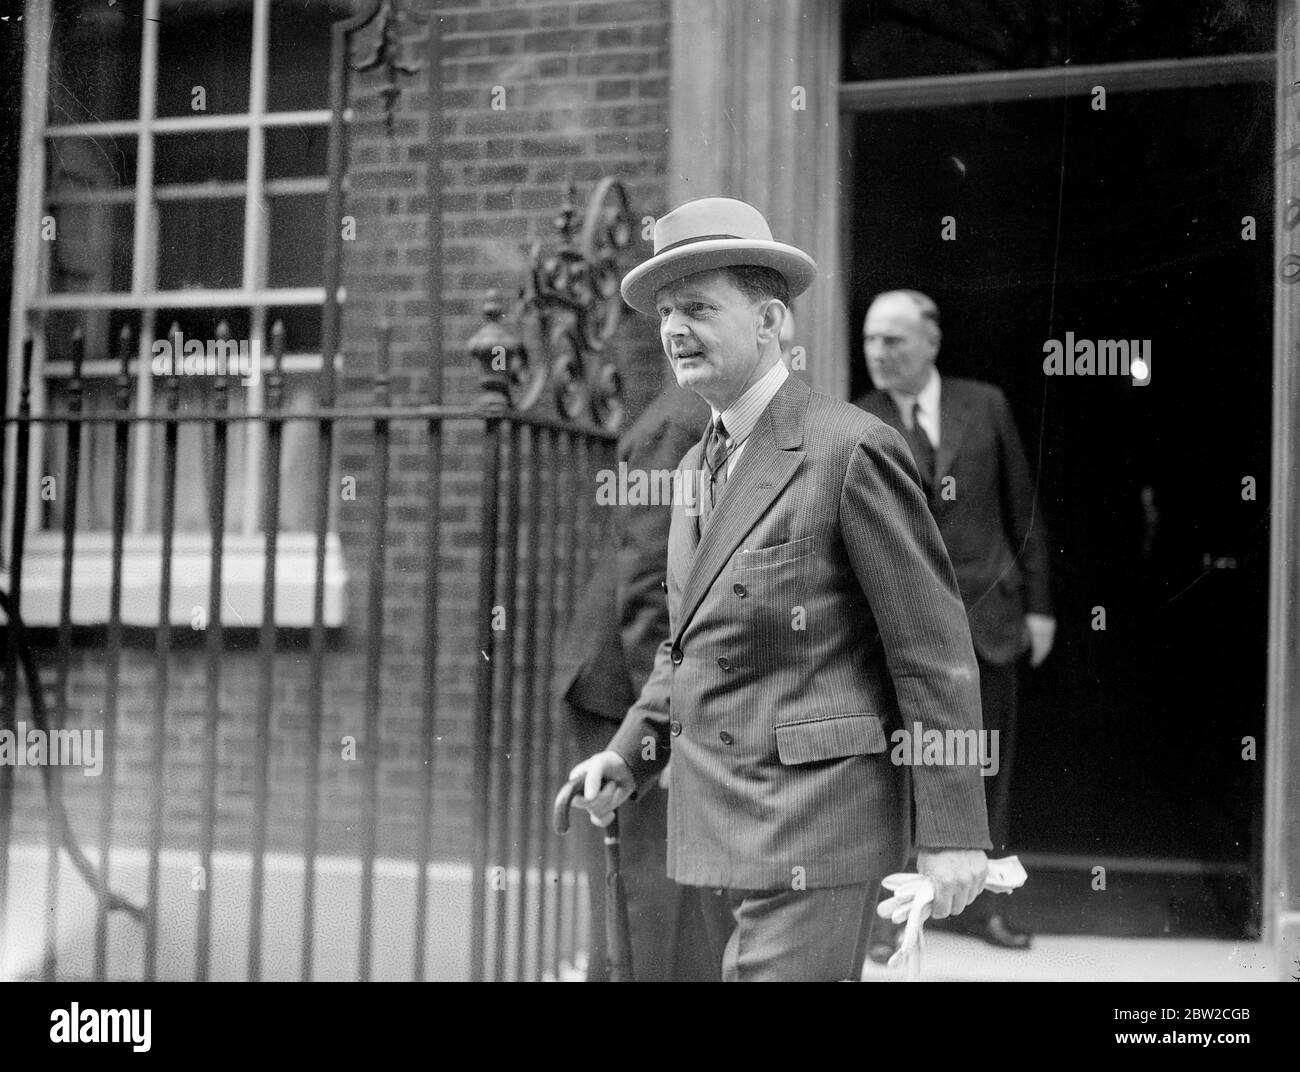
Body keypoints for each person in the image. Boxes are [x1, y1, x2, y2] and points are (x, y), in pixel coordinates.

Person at [568, 197, 992, 982]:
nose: (674, 329)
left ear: (771, 322)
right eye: (665, 312)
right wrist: (631, 753)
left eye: (698, 306)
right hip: (710, 828)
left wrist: (954, 828)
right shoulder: (697, 467)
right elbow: (686, 645)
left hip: (815, 828)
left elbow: (930, 651)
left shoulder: (850, 449)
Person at [855, 289, 1054, 952]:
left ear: (931, 343)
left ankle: (983, 905)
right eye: (871, 341)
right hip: (899, 634)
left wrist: (1040, 606)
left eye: (894, 341)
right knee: (903, 766)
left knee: (987, 763)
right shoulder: (859, 418)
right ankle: (894, 916)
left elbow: (1022, 509)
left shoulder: (986, 404)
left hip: (987, 621)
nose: (878, 354)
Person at [555, 378, 712, 981]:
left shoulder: (716, 418)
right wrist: (665, 732)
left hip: (655, 690)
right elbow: (652, 581)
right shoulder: (680, 423)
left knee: (674, 906)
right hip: (627, 693)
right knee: (640, 909)